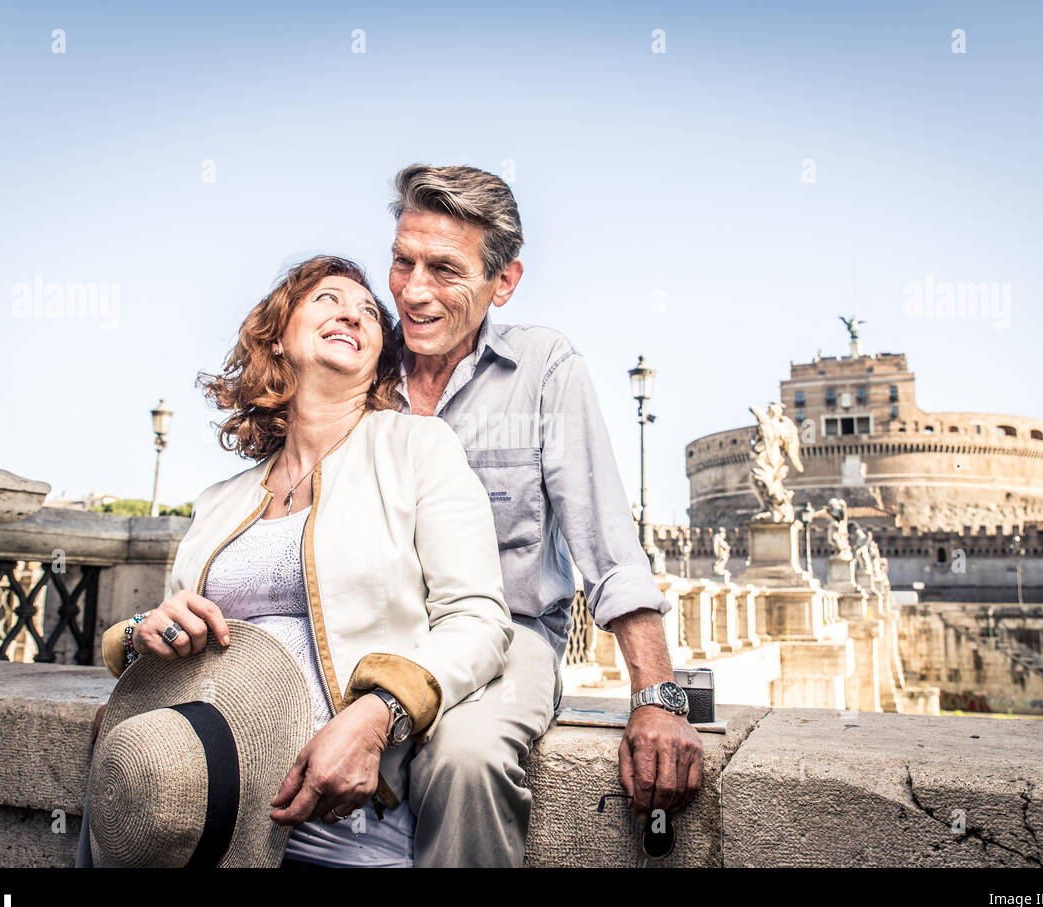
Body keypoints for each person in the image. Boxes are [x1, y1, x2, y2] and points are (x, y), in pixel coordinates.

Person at [78, 254, 513, 867]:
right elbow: (172, 625)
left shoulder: (419, 448)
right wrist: (141, 633)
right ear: (277, 338)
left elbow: (478, 620)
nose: (353, 313)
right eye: (328, 299)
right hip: (202, 816)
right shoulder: (218, 501)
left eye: (369, 311)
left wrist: (377, 715)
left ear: (379, 360)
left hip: (344, 825)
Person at [386, 164, 705, 867]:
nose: (413, 290)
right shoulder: (366, 365)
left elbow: (608, 545)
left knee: (464, 760)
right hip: (375, 636)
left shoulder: (544, 367)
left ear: (504, 282)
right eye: (402, 261)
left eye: (444, 268)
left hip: (509, 635)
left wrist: (657, 696)